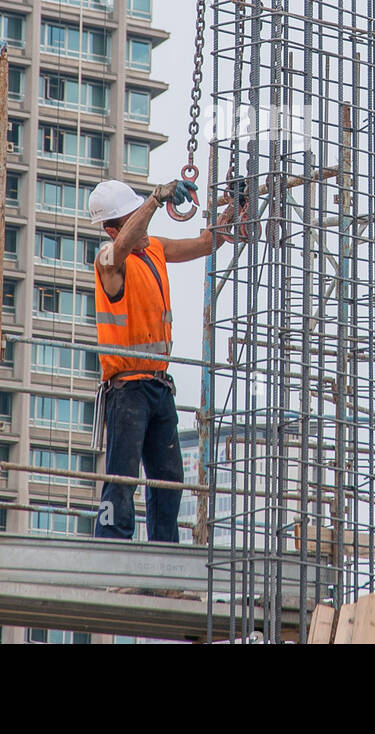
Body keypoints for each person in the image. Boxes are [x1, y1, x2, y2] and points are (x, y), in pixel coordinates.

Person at [88, 177, 228, 542]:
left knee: (169, 479)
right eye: (136, 218)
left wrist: (231, 218)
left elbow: (205, 243)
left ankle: (165, 557)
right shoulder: (108, 260)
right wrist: (153, 200)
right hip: (127, 391)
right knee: (122, 477)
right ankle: (112, 553)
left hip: (158, 387)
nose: (146, 225)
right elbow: (117, 252)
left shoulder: (155, 250)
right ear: (115, 228)